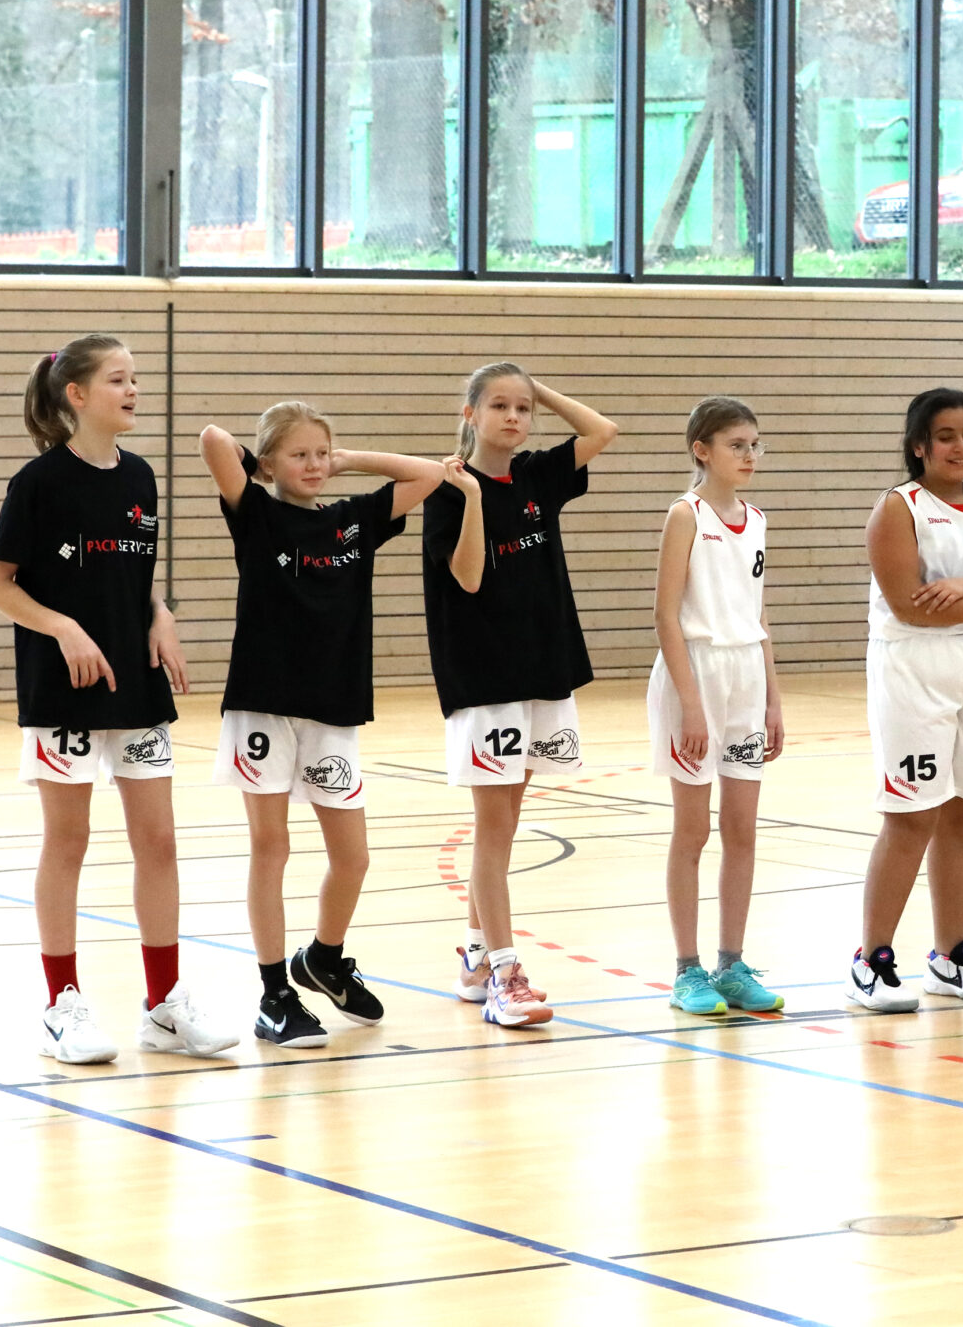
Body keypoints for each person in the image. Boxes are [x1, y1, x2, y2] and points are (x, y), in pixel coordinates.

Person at [0, 334, 236, 1064]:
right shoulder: (38, 483)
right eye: (118, 379)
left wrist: (159, 612)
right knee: (68, 841)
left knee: (159, 841)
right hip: (63, 690)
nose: (133, 391)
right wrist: (63, 627)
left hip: (136, 686)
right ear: (77, 394)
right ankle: (61, 1005)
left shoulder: (141, 477)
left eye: (135, 379)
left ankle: (164, 1005)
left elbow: (132, 576)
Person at [199, 403, 448, 1046]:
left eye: (320, 453)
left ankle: (324, 959)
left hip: (333, 707)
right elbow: (213, 439)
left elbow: (429, 474)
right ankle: (274, 995)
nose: (313, 465)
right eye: (299, 455)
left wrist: (347, 460)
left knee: (353, 857)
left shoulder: (352, 521)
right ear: (269, 462)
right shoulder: (256, 513)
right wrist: (262, 468)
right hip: (263, 703)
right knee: (271, 848)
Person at [422, 363, 619, 1028]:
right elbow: (469, 578)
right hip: (485, 680)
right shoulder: (448, 490)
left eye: (523, 407)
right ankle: (506, 973)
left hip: (542, 668)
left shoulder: (538, 474)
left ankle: (475, 959)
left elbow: (602, 430)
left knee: (504, 826)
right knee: (493, 828)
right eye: (499, 406)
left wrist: (541, 389)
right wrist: (475, 498)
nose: (514, 417)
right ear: (470, 413)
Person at [847, 389, 963, 1013]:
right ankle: (870, 960)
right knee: (911, 816)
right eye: (946, 436)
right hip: (914, 670)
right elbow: (912, 608)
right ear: (919, 446)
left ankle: (950, 958)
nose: (961, 446)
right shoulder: (898, 508)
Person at [649, 397, 787, 1016]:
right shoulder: (686, 515)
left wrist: (773, 701)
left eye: (755, 444)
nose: (749, 455)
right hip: (696, 673)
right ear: (701, 450)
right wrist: (690, 704)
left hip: (746, 676)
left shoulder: (756, 519)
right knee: (693, 829)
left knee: (742, 829)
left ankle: (732, 965)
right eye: (737, 445)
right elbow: (665, 616)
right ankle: (687, 970)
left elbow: (759, 616)